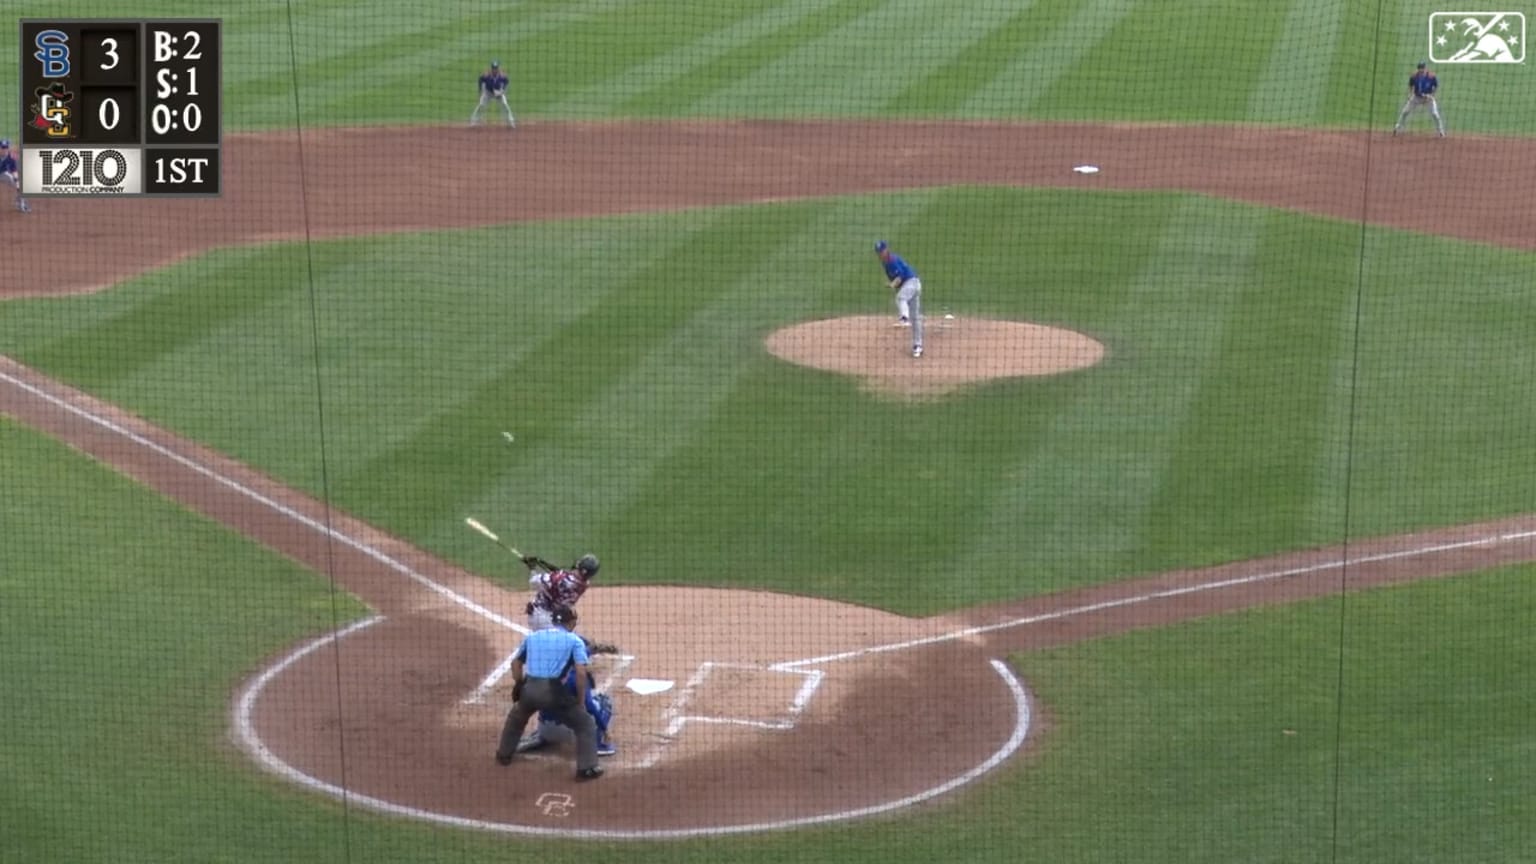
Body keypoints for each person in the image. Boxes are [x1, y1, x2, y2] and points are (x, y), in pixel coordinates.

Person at [494, 605, 604, 780]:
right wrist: (581, 702)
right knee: (585, 724)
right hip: (553, 692)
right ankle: (586, 768)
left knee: (516, 717)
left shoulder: (533, 637)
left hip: (529, 689)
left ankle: (504, 754)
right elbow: (581, 673)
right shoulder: (574, 640)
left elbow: (515, 664)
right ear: (572, 622)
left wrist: (519, 684)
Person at [520, 552, 599, 630]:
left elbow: (534, 581)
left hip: (541, 617)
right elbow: (559, 573)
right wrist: (540, 561)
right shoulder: (584, 584)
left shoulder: (561, 579)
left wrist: (532, 568)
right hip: (557, 617)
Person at [876, 240, 923, 358]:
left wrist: (892, 285)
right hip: (913, 285)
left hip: (912, 283)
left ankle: (904, 318)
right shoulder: (886, 263)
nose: (880, 254)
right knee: (915, 318)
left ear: (886, 250)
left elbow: (900, 276)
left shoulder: (892, 260)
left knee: (900, 298)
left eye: (882, 251)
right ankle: (918, 346)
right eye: (879, 252)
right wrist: (894, 284)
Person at [1393, 62, 1445, 138]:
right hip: (1416, 97)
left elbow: (1436, 86)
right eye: (1419, 68)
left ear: (1425, 68)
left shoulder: (1431, 76)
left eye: (1422, 68)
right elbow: (1410, 85)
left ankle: (1441, 131)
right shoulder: (1414, 76)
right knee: (1405, 112)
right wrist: (1410, 94)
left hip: (1428, 99)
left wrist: (1432, 96)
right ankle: (1397, 128)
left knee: (1435, 114)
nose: (1421, 70)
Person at [469, 60, 516, 128]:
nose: (494, 70)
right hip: (488, 93)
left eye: (496, 68)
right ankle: (473, 122)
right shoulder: (486, 75)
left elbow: (506, 81)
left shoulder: (502, 75)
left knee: (505, 105)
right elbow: (480, 80)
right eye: (493, 68)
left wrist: (502, 91)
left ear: (498, 68)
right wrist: (480, 90)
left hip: (498, 93)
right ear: (491, 68)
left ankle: (511, 123)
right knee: (481, 105)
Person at [1, 140, 30, 213]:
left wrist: (16, 181)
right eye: (2, 148)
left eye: (6, 148)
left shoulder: (10, 158)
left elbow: (14, 170)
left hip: (3, 174)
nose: (4, 150)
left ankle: (20, 203)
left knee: (19, 185)